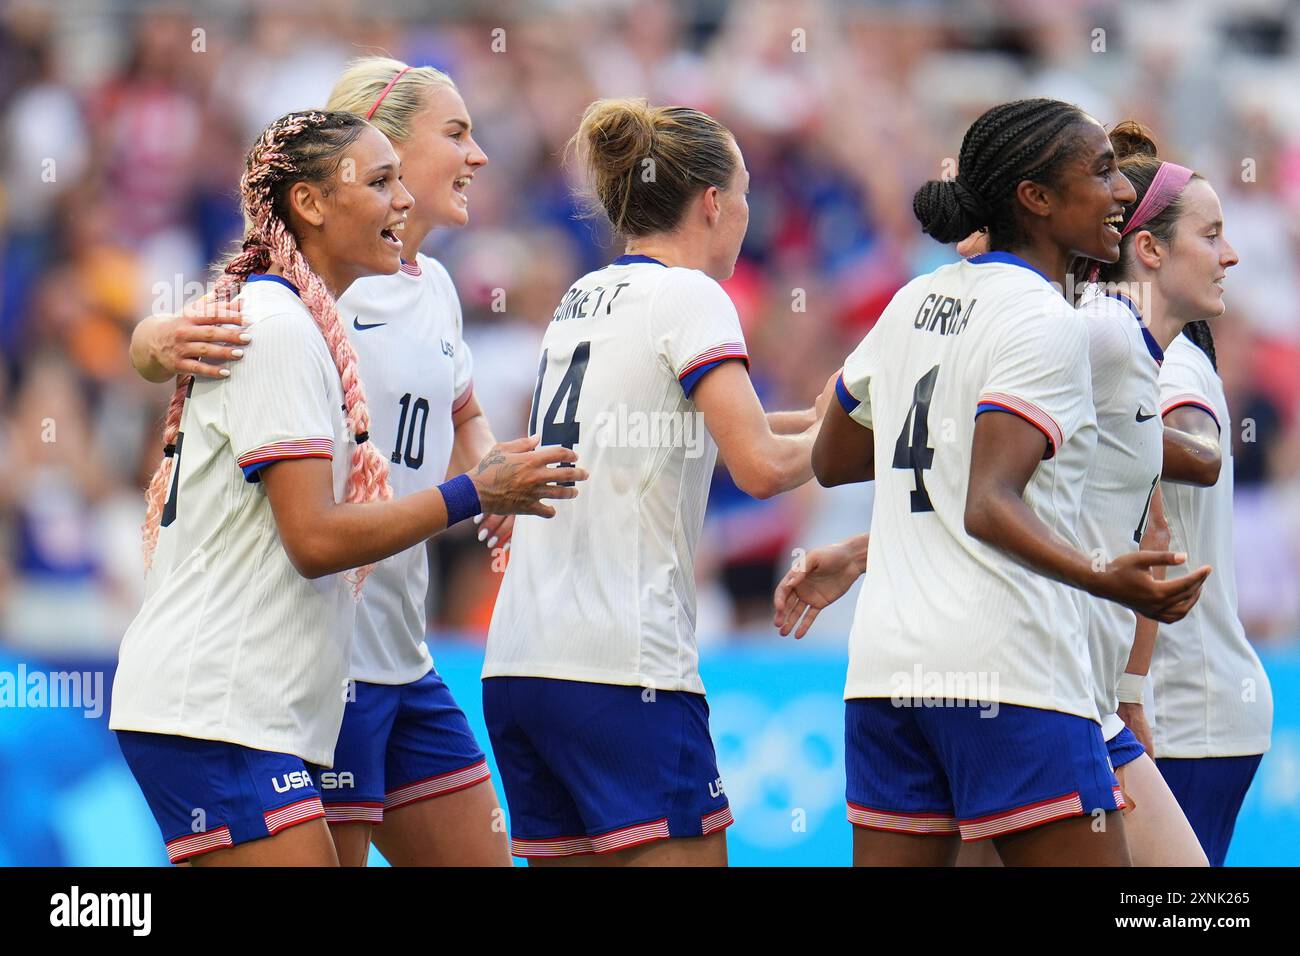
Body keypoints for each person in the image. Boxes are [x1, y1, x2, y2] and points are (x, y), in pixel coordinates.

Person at [111, 109, 583, 867]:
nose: (403, 201)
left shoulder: (321, 312)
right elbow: (316, 540)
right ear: (311, 203)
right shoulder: (283, 327)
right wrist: (474, 492)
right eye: (382, 180)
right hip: (218, 704)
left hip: (286, 697)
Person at [809, 98, 1209, 866]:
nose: (1122, 191)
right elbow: (989, 505)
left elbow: (833, 459)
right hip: (1013, 669)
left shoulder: (912, 298)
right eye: (1100, 174)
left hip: (889, 674)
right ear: (1037, 198)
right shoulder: (1049, 320)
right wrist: (1108, 578)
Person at [481, 98, 831, 866]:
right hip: (623, 669)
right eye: (742, 193)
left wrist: (814, 420)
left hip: (521, 666)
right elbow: (762, 470)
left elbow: (678, 421)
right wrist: (851, 431)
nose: (747, 210)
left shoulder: (582, 298)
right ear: (712, 203)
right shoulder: (694, 297)